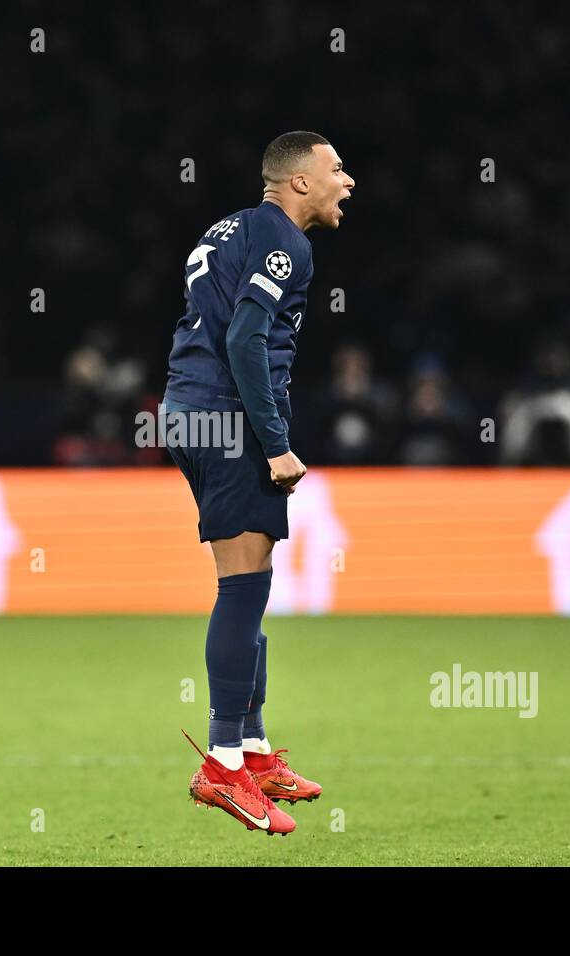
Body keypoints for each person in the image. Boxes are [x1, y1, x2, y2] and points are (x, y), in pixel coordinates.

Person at [162, 131, 354, 834]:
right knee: (242, 588)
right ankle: (223, 766)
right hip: (227, 414)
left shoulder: (229, 228)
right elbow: (245, 338)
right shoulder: (287, 242)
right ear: (299, 181)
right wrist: (275, 445)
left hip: (190, 410)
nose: (348, 181)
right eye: (336, 169)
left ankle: (253, 751)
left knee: (254, 581)